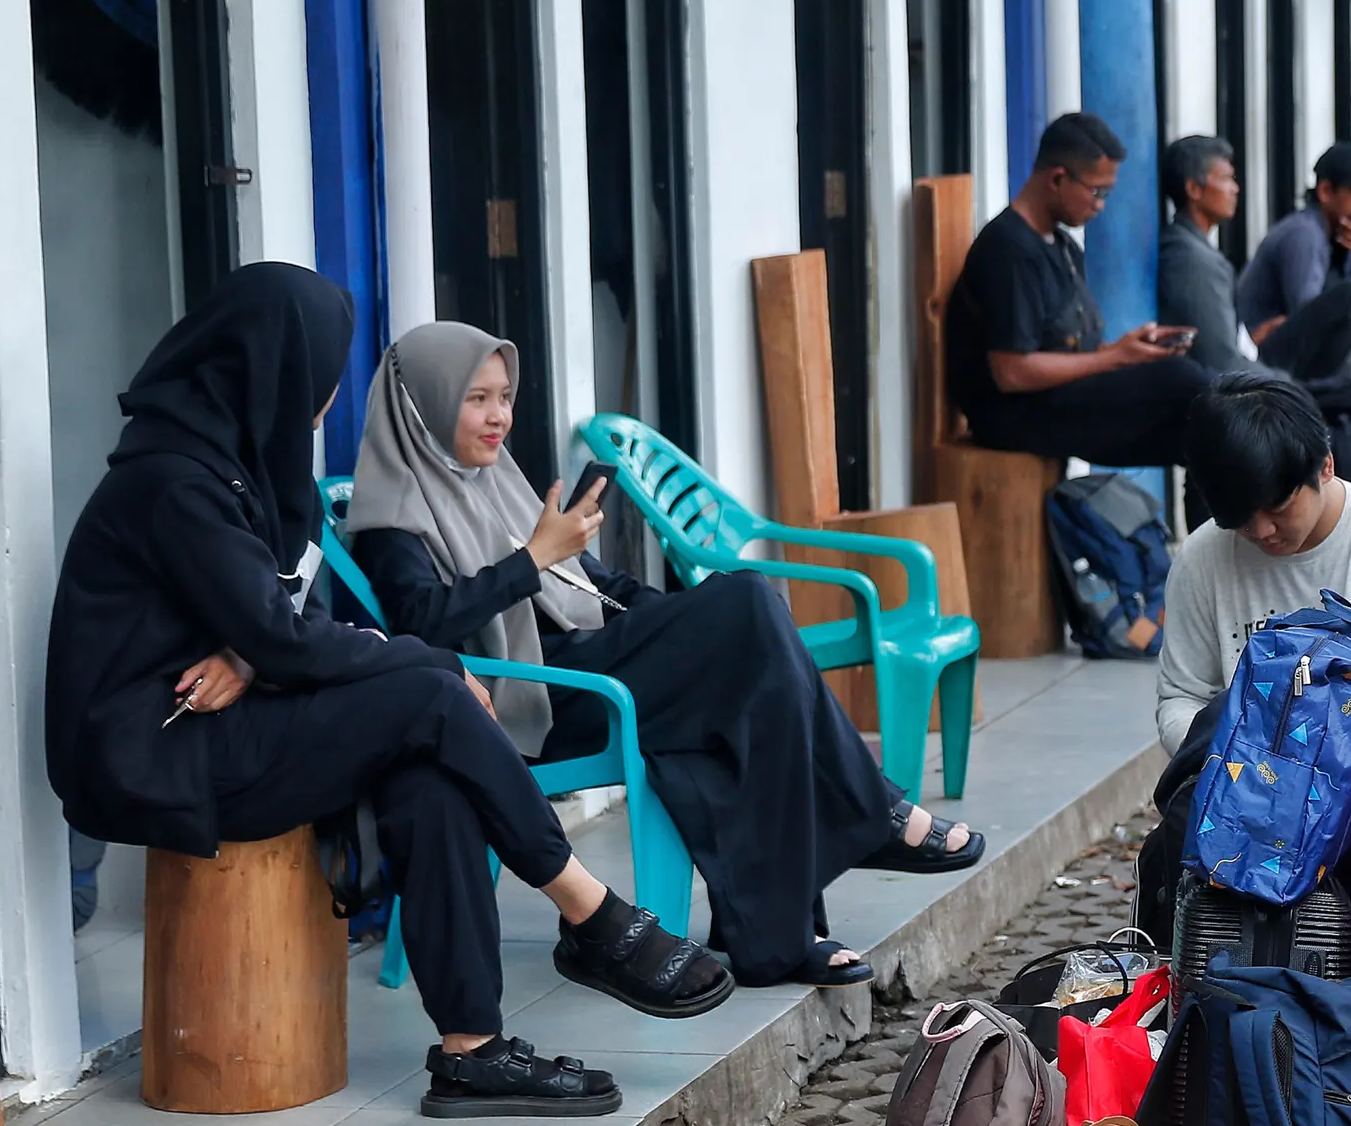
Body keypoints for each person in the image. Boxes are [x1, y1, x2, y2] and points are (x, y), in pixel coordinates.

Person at [46, 263, 730, 1119]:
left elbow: (276, 611)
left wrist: (257, 653)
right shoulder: (174, 481)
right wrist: (395, 659)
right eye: (319, 376)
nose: (328, 398)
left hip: (217, 716)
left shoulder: (237, 462)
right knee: (433, 694)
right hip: (152, 747)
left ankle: (472, 1050)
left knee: (428, 768)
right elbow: (282, 629)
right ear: (271, 370)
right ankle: (593, 917)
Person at [347, 322, 984, 989]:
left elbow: (589, 585)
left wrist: (672, 622)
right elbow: (423, 624)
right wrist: (534, 557)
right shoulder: (392, 519)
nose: (499, 415)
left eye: (505, 396)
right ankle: (867, 814)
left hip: (581, 666)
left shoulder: (494, 483)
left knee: (746, 663)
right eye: (476, 398)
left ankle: (781, 935)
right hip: (529, 700)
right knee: (747, 607)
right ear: (424, 401)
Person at [1129, 373, 1351, 944]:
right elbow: (1182, 696)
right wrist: (1243, 766)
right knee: (1172, 847)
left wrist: (1333, 763)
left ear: (1325, 467)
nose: (1261, 530)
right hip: (1238, 804)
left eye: (1279, 507)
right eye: (1240, 516)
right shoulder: (1203, 558)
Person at [945, 112, 1210, 467]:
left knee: (1199, 437)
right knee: (1185, 380)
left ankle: (1228, 517)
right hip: (1012, 415)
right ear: (1057, 179)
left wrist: (1126, 348)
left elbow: (1065, 348)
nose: (1100, 205)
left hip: (1055, 399)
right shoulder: (1009, 250)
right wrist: (1115, 358)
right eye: (1096, 191)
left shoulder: (1063, 247)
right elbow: (1011, 372)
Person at [1235, 144, 1351, 379]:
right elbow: (1316, 318)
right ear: (1326, 191)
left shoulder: (1345, 234)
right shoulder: (1303, 234)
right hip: (1260, 357)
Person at [1157, 134, 1263, 376]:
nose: (1235, 189)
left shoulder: (1196, 248)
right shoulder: (1191, 260)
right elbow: (1222, 363)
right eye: (1226, 179)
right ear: (1194, 189)